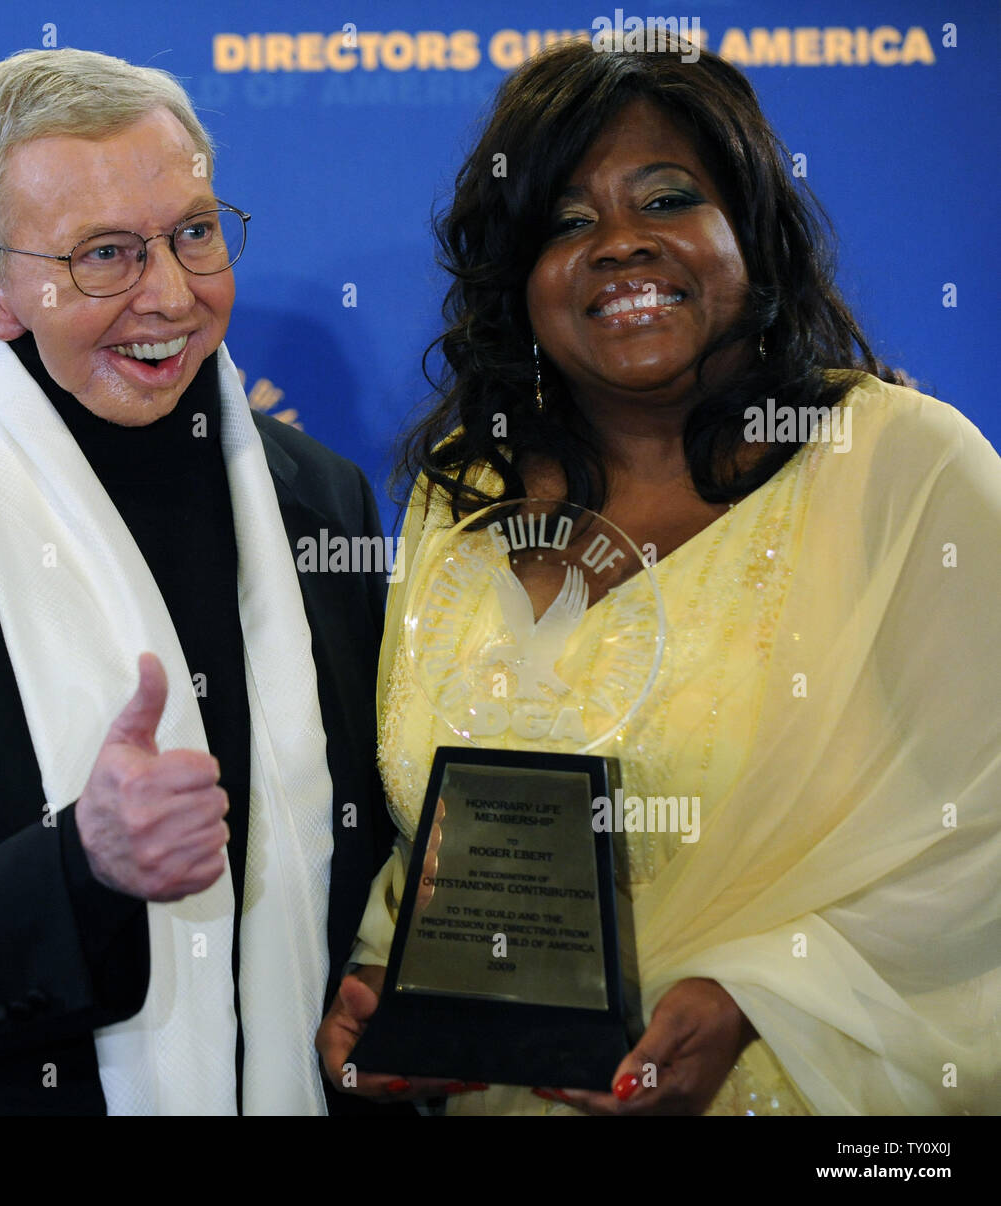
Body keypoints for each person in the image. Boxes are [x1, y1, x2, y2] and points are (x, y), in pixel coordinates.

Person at [317, 38, 1001, 1115]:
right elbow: (450, 822)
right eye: (566, 223)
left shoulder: (898, 466)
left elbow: (985, 833)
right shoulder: (465, 499)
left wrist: (756, 1000)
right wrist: (381, 975)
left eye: (667, 199)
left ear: (753, 237)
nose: (619, 247)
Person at [0, 48, 402, 1116]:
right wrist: (80, 864)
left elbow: (364, 861)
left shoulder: (317, 500)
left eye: (192, 233)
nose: (171, 295)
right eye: (105, 256)